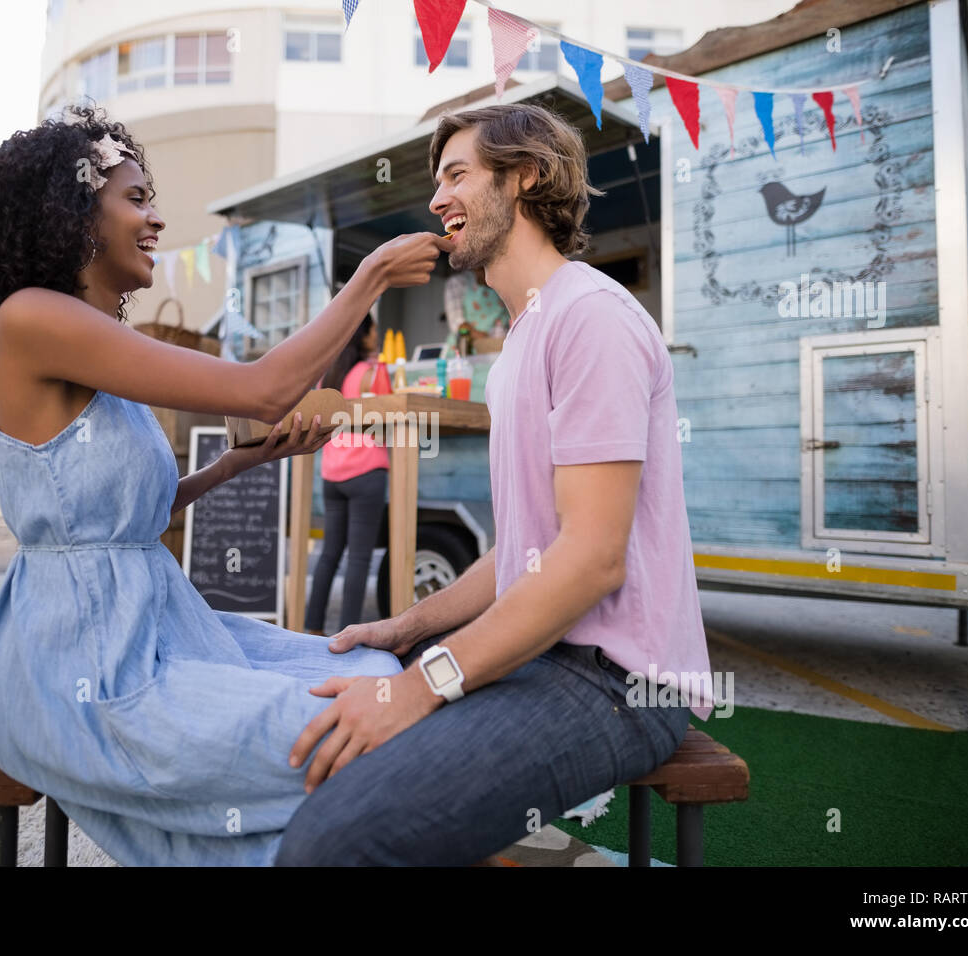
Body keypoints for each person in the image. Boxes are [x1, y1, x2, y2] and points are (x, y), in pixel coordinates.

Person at [0, 104, 452, 866]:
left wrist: (236, 466)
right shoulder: (32, 319)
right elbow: (262, 389)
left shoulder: (97, 348)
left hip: (166, 633)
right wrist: (369, 277)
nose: (156, 219)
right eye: (136, 198)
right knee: (356, 730)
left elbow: (123, 520)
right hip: (85, 670)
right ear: (77, 210)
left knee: (374, 674)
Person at [274, 102, 714, 865]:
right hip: (546, 652)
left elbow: (591, 560)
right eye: (436, 182)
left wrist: (418, 688)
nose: (438, 199)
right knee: (316, 758)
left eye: (457, 175)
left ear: (524, 178)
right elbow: (525, 551)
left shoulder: (591, 317)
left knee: (331, 842)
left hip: (616, 684)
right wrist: (406, 630)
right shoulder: (522, 340)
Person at [304, 314, 390, 637]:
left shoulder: (327, 377)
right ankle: (347, 636)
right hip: (366, 470)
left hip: (332, 474)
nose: (376, 336)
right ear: (362, 336)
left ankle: (312, 628)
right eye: (374, 331)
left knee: (329, 554)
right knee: (358, 559)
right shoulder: (369, 374)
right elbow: (389, 414)